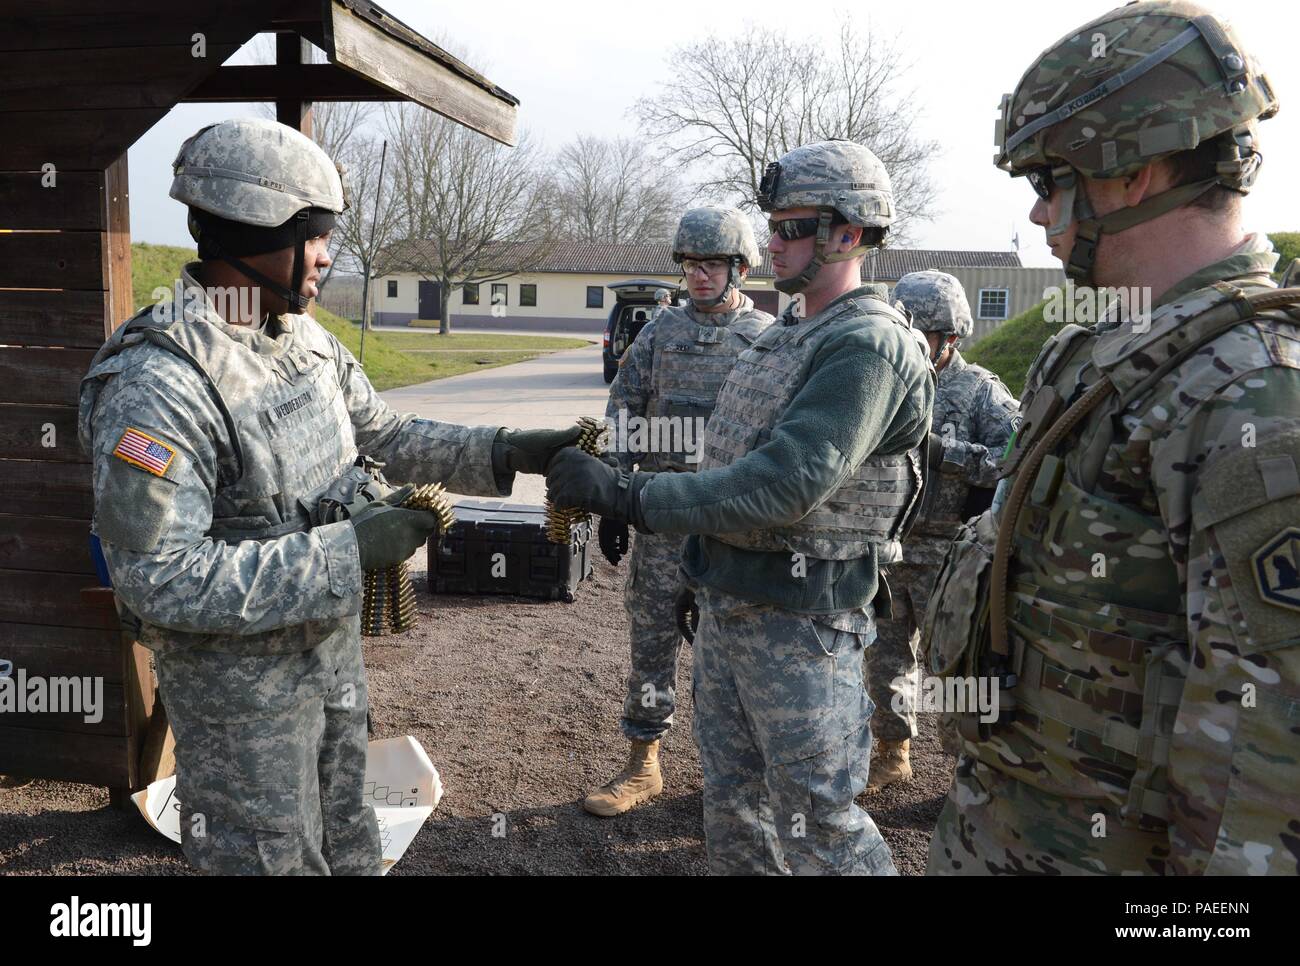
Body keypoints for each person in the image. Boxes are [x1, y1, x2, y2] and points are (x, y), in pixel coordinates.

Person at [78, 118, 579, 875]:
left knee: (349, 847)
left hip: (329, 667)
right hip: (239, 709)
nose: (327, 254)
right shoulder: (157, 384)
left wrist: (506, 449)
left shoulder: (300, 337)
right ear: (250, 232)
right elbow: (160, 579)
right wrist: (350, 550)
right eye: (313, 234)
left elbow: (384, 428)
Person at [926, 0, 1299, 875]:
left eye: (1049, 184)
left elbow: (1269, 766)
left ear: (1133, 171)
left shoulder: (1257, 396)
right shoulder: (1101, 347)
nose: (1036, 217)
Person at [548, 140, 934, 874]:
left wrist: (628, 495)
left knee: (819, 822)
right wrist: (702, 564)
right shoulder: (788, 335)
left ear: (847, 234)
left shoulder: (866, 344)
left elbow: (785, 482)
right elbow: (723, 459)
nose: (773, 242)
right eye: (773, 225)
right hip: (732, 606)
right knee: (735, 807)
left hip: (802, 625)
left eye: (790, 227)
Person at [586, 207, 773, 817]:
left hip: (733, 525)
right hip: (662, 518)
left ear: (739, 268)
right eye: (691, 264)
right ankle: (643, 764)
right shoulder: (659, 334)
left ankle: (741, 776)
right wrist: (616, 495)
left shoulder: (769, 338)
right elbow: (624, 409)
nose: (699, 275)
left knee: (739, 645)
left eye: (712, 264)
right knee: (651, 637)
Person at [865, 271, 1018, 792]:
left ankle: (968, 772)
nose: (909, 343)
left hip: (950, 556)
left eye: (921, 335)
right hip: (889, 549)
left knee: (956, 668)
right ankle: (892, 751)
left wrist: (945, 453)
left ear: (950, 338)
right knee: (884, 659)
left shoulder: (979, 392)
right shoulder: (884, 383)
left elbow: (1014, 460)